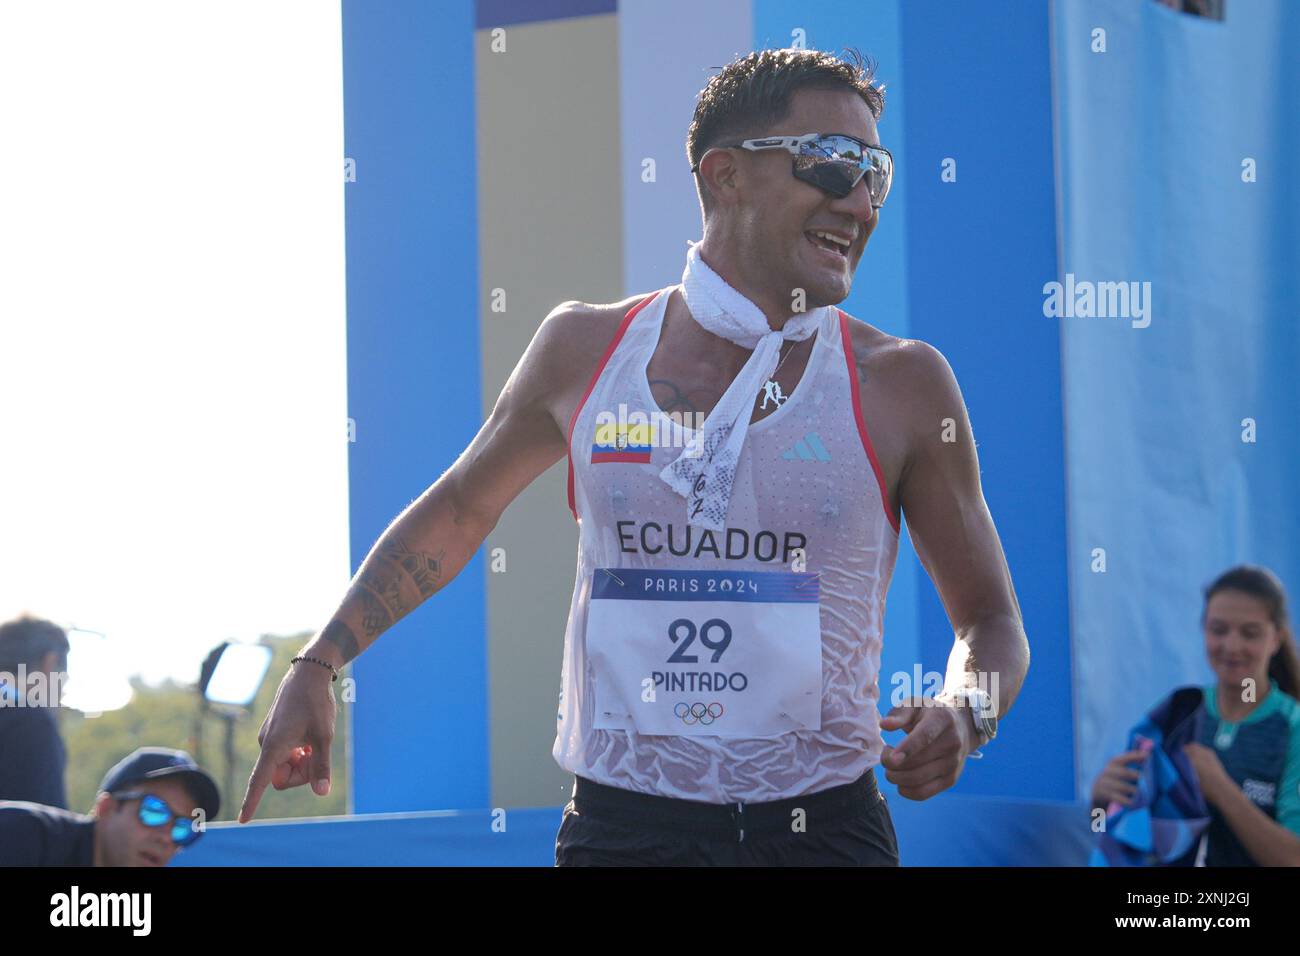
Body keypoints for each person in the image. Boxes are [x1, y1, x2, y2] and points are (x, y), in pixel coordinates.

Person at [239, 47, 1030, 866]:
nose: (861, 201)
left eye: (875, 172)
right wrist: (320, 661)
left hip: (823, 834)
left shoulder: (903, 381)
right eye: (831, 165)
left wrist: (967, 711)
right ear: (724, 175)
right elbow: (459, 511)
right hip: (625, 836)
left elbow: (993, 623)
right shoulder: (584, 349)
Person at [1091, 565, 1300, 866]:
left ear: (1277, 638)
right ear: (1203, 630)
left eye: (1250, 633)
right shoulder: (1176, 713)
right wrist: (1102, 801)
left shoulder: (1291, 727)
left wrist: (1222, 789)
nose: (1232, 646)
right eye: (1219, 630)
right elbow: (1123, 834)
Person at [0, 747, 220, 866]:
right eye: (154, 811)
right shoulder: (20, 835)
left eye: (184, 829)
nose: (166, 838)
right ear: (106, 808)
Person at [0, 615, 70, 807]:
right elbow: (49, 825)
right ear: (49, 663)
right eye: (64, 679)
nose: (62, 693)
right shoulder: (31, 723)